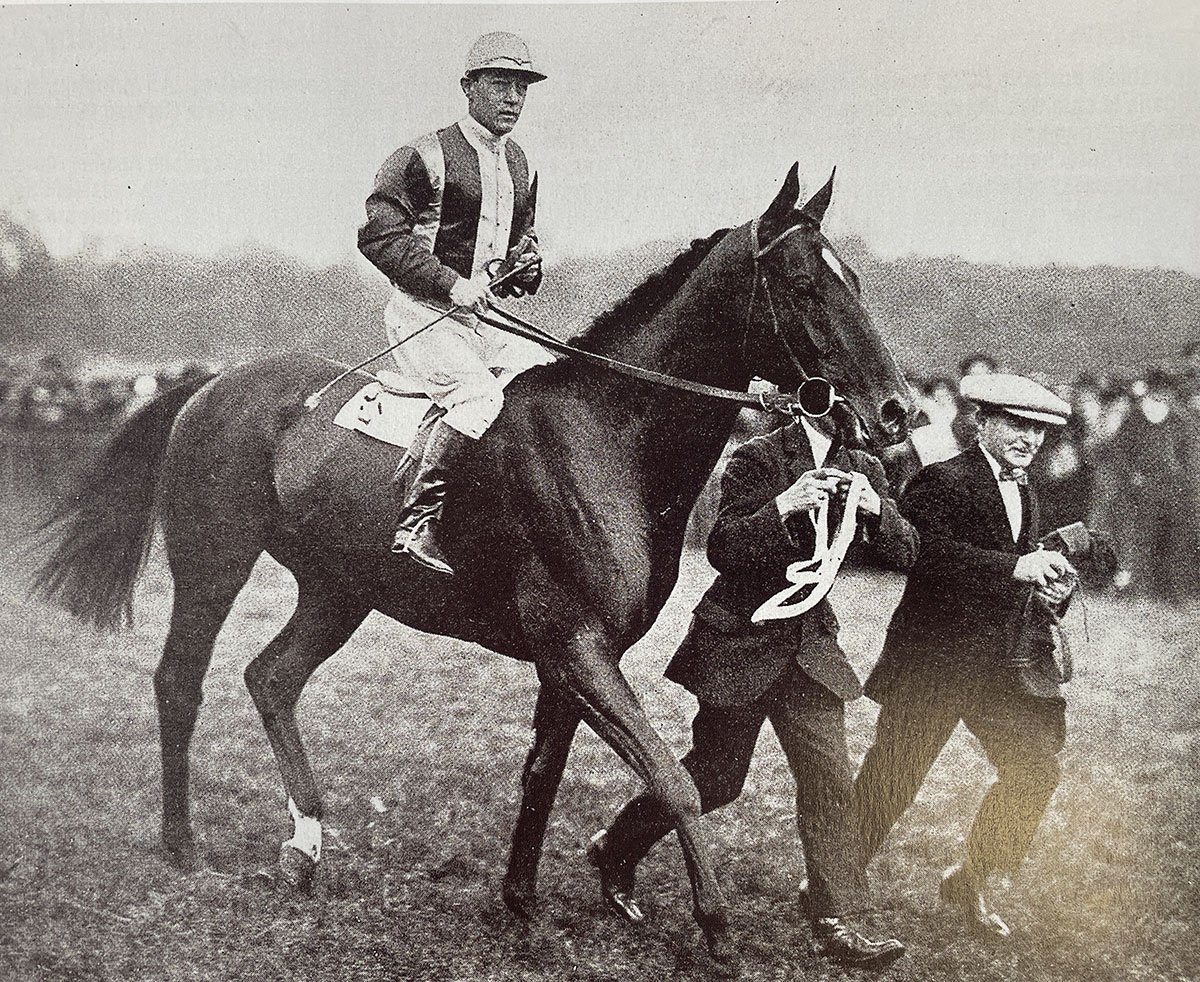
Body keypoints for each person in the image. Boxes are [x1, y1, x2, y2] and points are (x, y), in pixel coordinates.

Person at [586, 408, 917, 970]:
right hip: (737, 642)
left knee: (830, 778)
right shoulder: (758, 457)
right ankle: (616, 846)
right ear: (816, 398)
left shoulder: (863, 467)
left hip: (809, 650)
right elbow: (722, 549)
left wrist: (877, 510)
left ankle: (837, 919)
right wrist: (785, 507)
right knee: (717, 777)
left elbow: (908, 554)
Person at [853, 373, 1076, 939]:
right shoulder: (939, 481)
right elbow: (920, 556)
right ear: (982, 422)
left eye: (1039, 431)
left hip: (1000, 669)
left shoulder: (1022, 486)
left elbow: (1014, 560)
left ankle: (972, 876)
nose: (1029, 440)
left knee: (1035, 770)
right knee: (893, 777)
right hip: (933, 662)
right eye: (1017, 425)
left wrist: (1046, 584)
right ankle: (833, 879)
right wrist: (1013, 568)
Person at [358, 32, 550, 574]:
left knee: (548, 381)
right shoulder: (419, 155)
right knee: (479, 398)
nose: (512, 98)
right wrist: (449, 284)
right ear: (468, 87)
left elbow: (522, 239)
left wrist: (527, 264)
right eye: (500, 85)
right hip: (423, 315)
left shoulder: (521, 164)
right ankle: (418, 522)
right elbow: (380, 238)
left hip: (484, 320)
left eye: (521, 88)